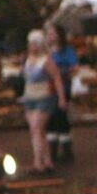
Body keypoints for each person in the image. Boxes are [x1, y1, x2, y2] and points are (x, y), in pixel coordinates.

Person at [20, 29, 67, 174]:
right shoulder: (27, 59)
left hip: (44, 97)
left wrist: (62, 98)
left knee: (36, 127)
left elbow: (57, 78)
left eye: (35, 43)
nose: (32, 46)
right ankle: (48, 161)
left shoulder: (46, 60)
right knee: (38, 131)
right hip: (30, 97)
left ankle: (37, 162)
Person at [47, 24, 79, 163]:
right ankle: (52, 148)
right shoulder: (47, 52)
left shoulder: (67, 51)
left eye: (53, 33)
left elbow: (74, 68)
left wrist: (62, 72)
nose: (50, 36)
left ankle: (66, 148)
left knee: (61, 115)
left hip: (64, 87)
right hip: (48, 89)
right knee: (51, 117)